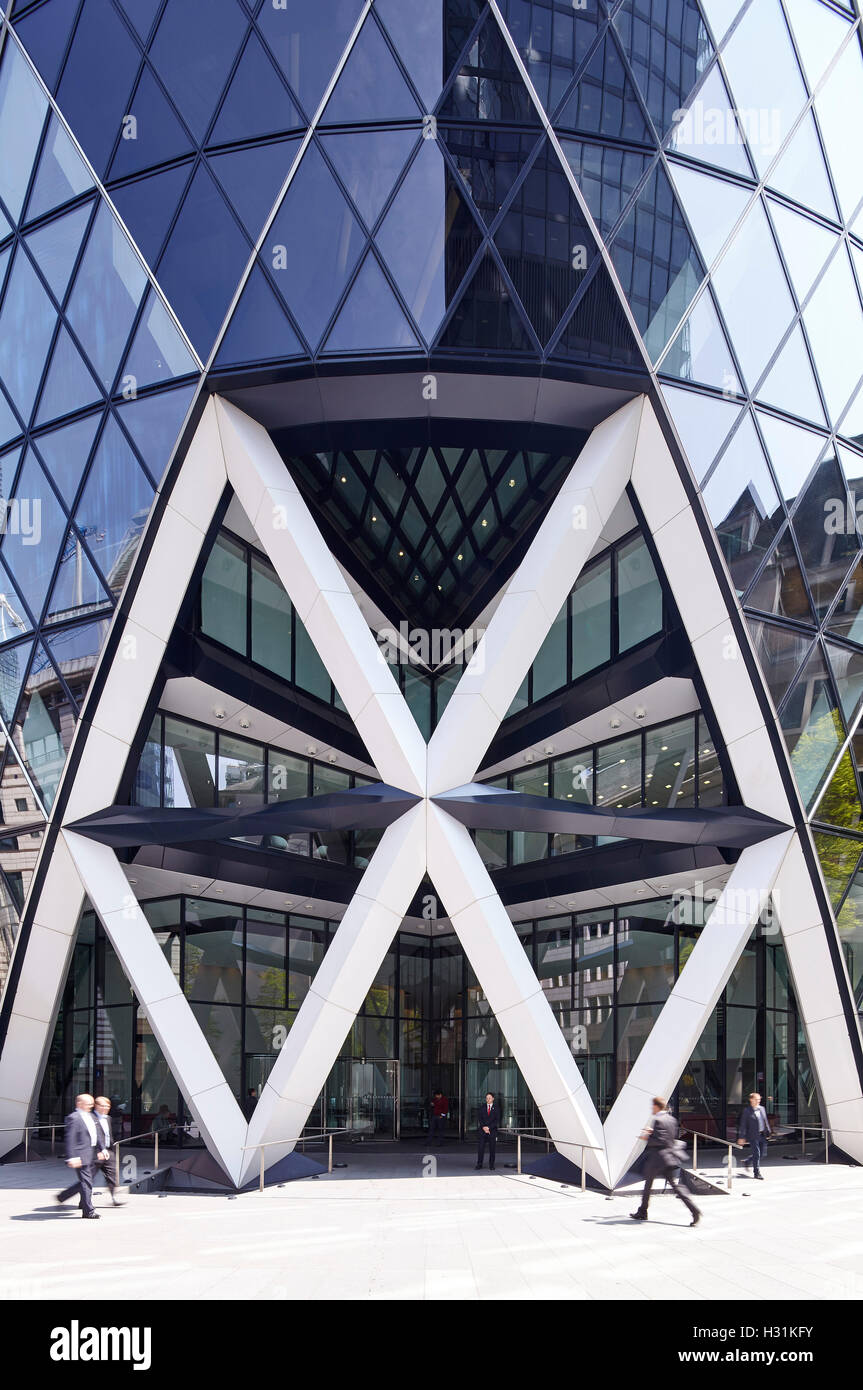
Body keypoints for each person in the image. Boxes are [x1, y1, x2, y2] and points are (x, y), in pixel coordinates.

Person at [631, 1097, 700, 1227]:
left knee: (648, 1185)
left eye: (652, 1106)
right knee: (675, 1186)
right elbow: (669, 1137)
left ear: (657, 1106)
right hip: (669, 1157)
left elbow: (658, 1140)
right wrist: (653, 1133)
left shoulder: (657, 1120)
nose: (651, 1108)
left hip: (658, 1158)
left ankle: (642, 1211)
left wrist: (646, 1136)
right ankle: (694, 1210)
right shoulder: (671, 1119)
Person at [56, 1093, 100, 1218]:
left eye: (92, 1104)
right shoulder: (74, 1118)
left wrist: (102, 1149)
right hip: (81, 1156)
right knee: (86, 1182)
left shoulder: (91, 1116)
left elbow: (97, 1134)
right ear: (79, 1104)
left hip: (92, 1154)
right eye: (88, 1104)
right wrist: (72, 1157)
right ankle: (88, 1211)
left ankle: (64, 1196)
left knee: (87, 1181)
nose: (91, 1106)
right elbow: (70, 1138)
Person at [92, 1097, 123, 1206]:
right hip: (95, 1153)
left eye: (108, 1106)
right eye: (103, 1106)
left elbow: (108, 1135)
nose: (106, 1108)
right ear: (96, 1106)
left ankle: (114, 1198)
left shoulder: (108, 1118)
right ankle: (63, 1196)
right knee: (87, 1179)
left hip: (108, 1152)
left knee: (112, 1175)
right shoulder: (91, 1118)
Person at [738, 1092, 771, 1179]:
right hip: (753, 1135)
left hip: (762, 1135)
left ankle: (747, 1161)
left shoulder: (762, 1108)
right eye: (756, 1099)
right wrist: (741, 1137)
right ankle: (757, 1173)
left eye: (759, 1099)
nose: (758, 1101)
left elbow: (765, 1121)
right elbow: (743, 1125)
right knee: (757, 1153)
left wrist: (769, 1131)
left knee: (763, 1154)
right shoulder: (747, 1111)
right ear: (751, 1100)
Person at [475, 1092, 500, 1171]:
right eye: (486, 1098)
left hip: (492, 1131)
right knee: (480, 1148)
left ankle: (491, 1165)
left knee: (492, 1149)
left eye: (489, 1098)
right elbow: (480, 1118)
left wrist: (489, 1127)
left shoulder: (497, 1108)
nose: (488, 1099)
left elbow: (497, 1120)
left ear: (493, 1098)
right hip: (482, 1131)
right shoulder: (482, 1107)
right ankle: (479, 1164)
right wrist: (484, 1127)